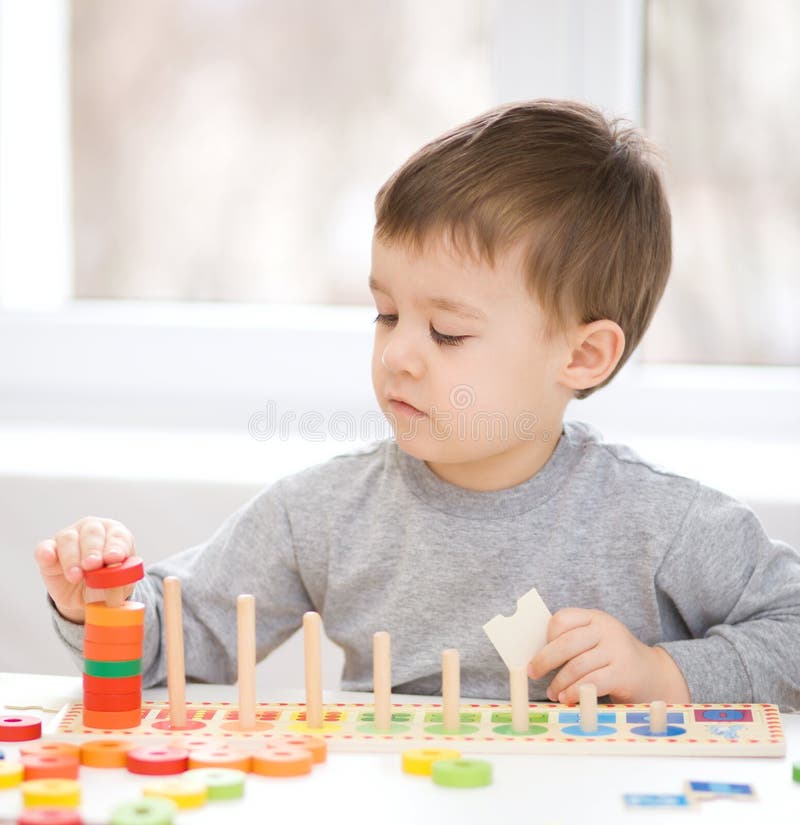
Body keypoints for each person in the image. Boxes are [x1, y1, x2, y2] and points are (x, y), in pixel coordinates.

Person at [35, 100, 800, 709]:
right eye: (387, 315)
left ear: (582, 355)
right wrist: (98, 602)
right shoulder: (326, 513)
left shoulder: (659, 523)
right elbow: (175, 646)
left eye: (447, 331)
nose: (399, 353)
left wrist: (665, 673)